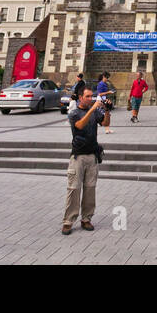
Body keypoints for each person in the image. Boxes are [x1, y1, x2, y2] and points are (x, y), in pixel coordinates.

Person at [63, 85, 105, 235]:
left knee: (90, 189)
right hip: (78, 156)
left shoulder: (94, 111)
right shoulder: (74, 113)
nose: (90, 98)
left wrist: (106, 110)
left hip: (92, 155)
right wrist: (93, 109)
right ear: (80, 97)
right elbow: (79, 126)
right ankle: (68, 221)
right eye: (87, 96)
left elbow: (106, 123)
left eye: (91, 96)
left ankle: (86, 218)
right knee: (74, 189)